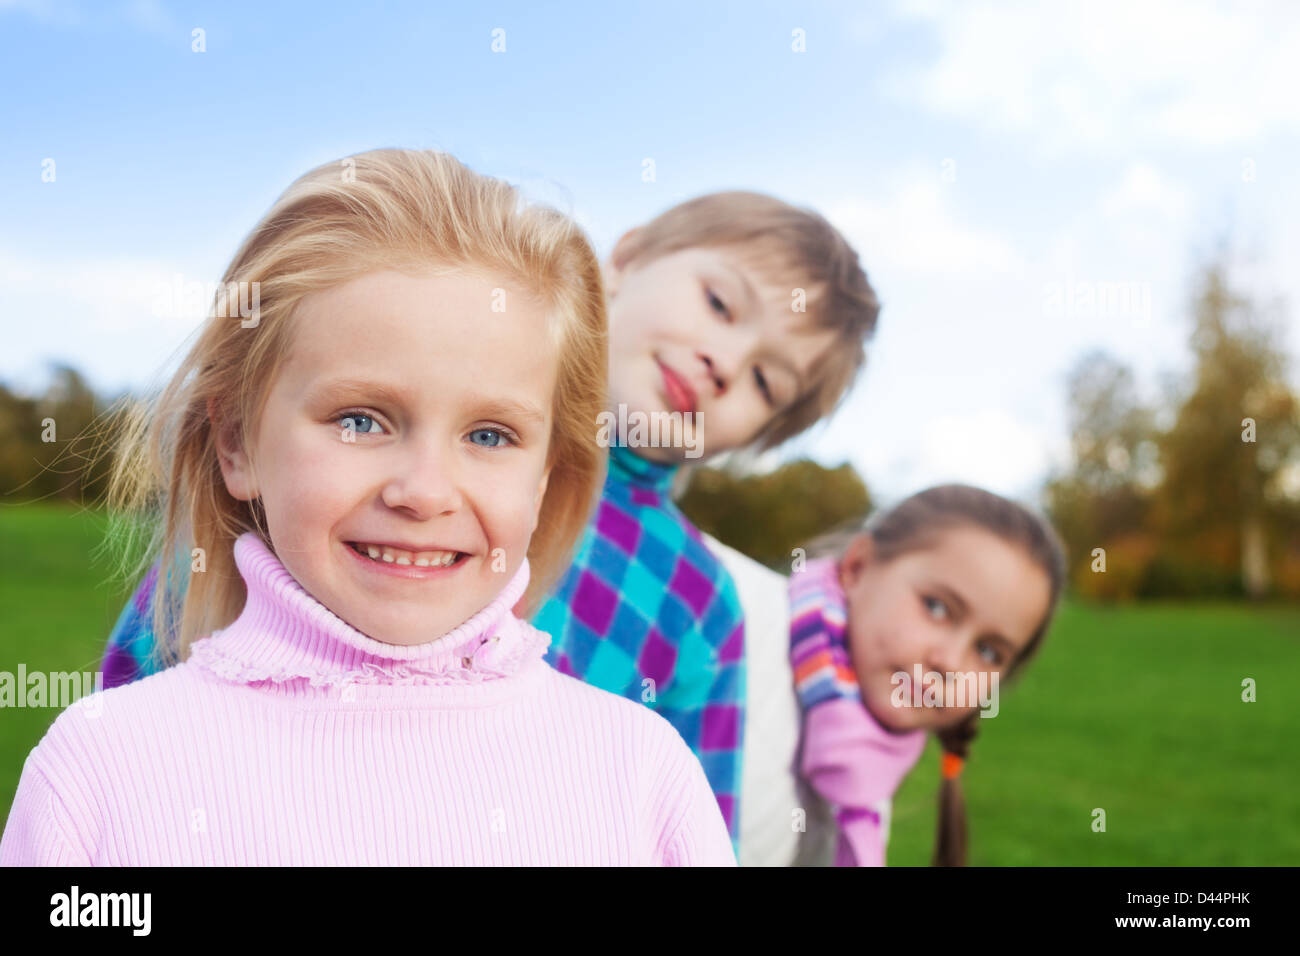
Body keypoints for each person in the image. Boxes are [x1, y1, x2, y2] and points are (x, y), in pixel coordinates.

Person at [0, 148, 734, 865]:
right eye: (361, 420)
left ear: (544, 480)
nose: (423, 491)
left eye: (489, 434)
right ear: (236, 443)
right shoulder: (97, 771)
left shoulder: (642, 778)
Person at [94, 186, 883, 853]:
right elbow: (144, 698)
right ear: (631, 255)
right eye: (719, 303)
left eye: (765, 382)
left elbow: (686, 830)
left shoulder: (699, 602)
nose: (722, 361)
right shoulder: (348, 464)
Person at [720, 484, 1066, 866]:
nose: (949, 663)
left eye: (988, 652)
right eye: (937, 607)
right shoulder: (723, 613)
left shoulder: (866, 790)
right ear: (858, 566)